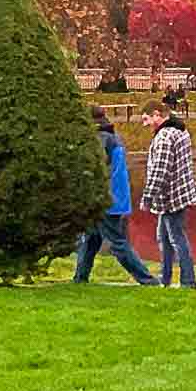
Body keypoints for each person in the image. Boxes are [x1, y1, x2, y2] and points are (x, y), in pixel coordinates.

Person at [73, 107, 160, 286]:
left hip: (106, 198)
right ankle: (80, 278)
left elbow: (95, 169)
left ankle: (147, 280)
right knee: (91, 238)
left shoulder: (100, 139)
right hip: (117, 196)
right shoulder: (113, 136)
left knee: (117, 243)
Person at [139, 99, 196, 288]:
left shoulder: (165, 137)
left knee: (176, 239)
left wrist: (147, 197)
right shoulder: (180, 130)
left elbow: (160, 170)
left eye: (146, 119)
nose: (145, 124)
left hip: (171, 197)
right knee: (165, 238)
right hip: (179, 193)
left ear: (157, 115)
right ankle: (165, 279)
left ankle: (188, 282)